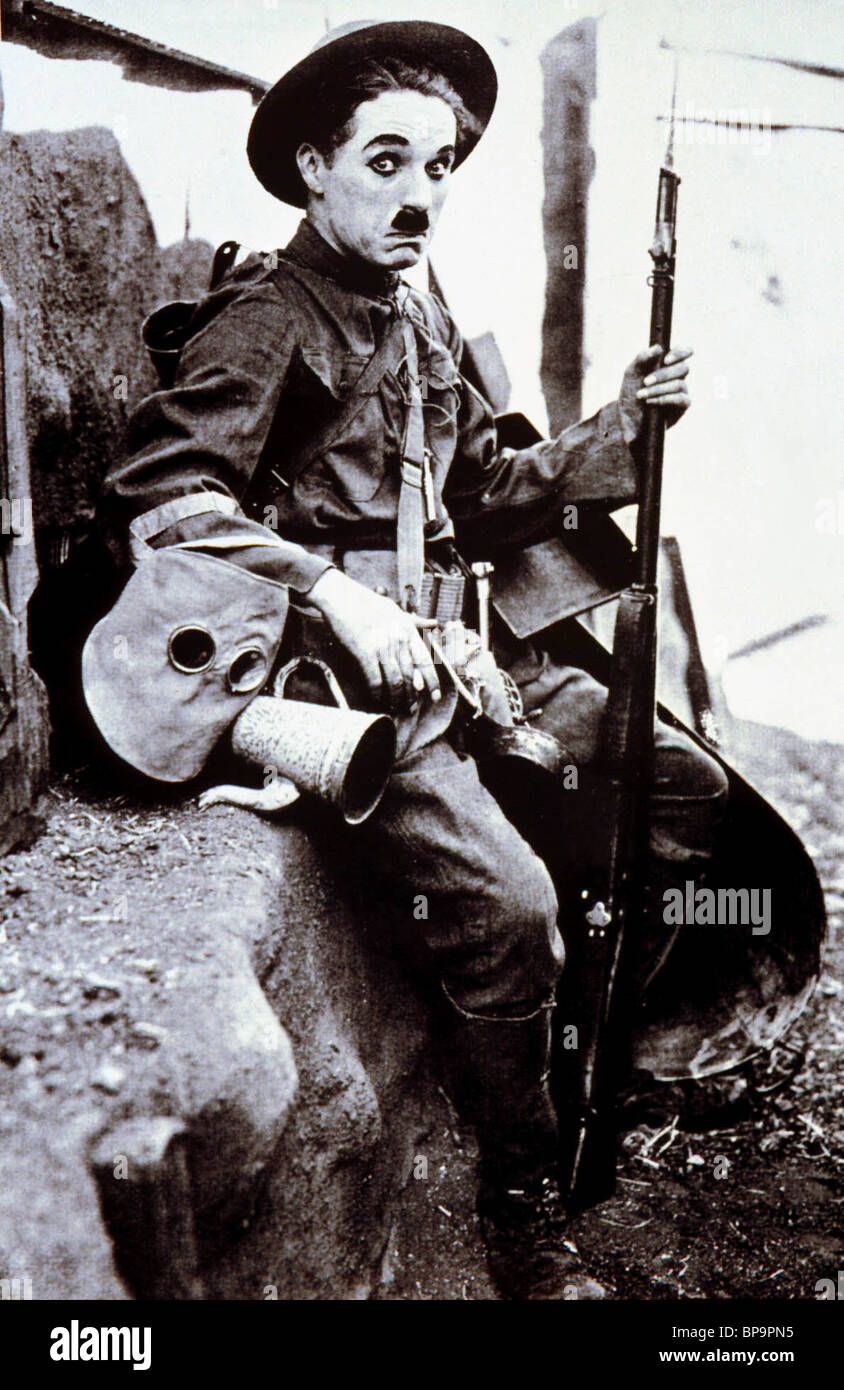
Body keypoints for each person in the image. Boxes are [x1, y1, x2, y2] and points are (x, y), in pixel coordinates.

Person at [94, 20, 728, 1299]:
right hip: (346, 685)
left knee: (680, 785)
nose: (418, 195)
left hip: (462, 657)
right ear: (316, 168)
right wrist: (331, 588)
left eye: (438, 168)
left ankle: (595, 1054)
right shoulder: (268, 323)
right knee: (510, 910)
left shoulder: (413, 318)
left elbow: (485, 491)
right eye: (386, 164)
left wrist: (621, 421)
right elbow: (164, 496)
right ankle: (519, 1207)